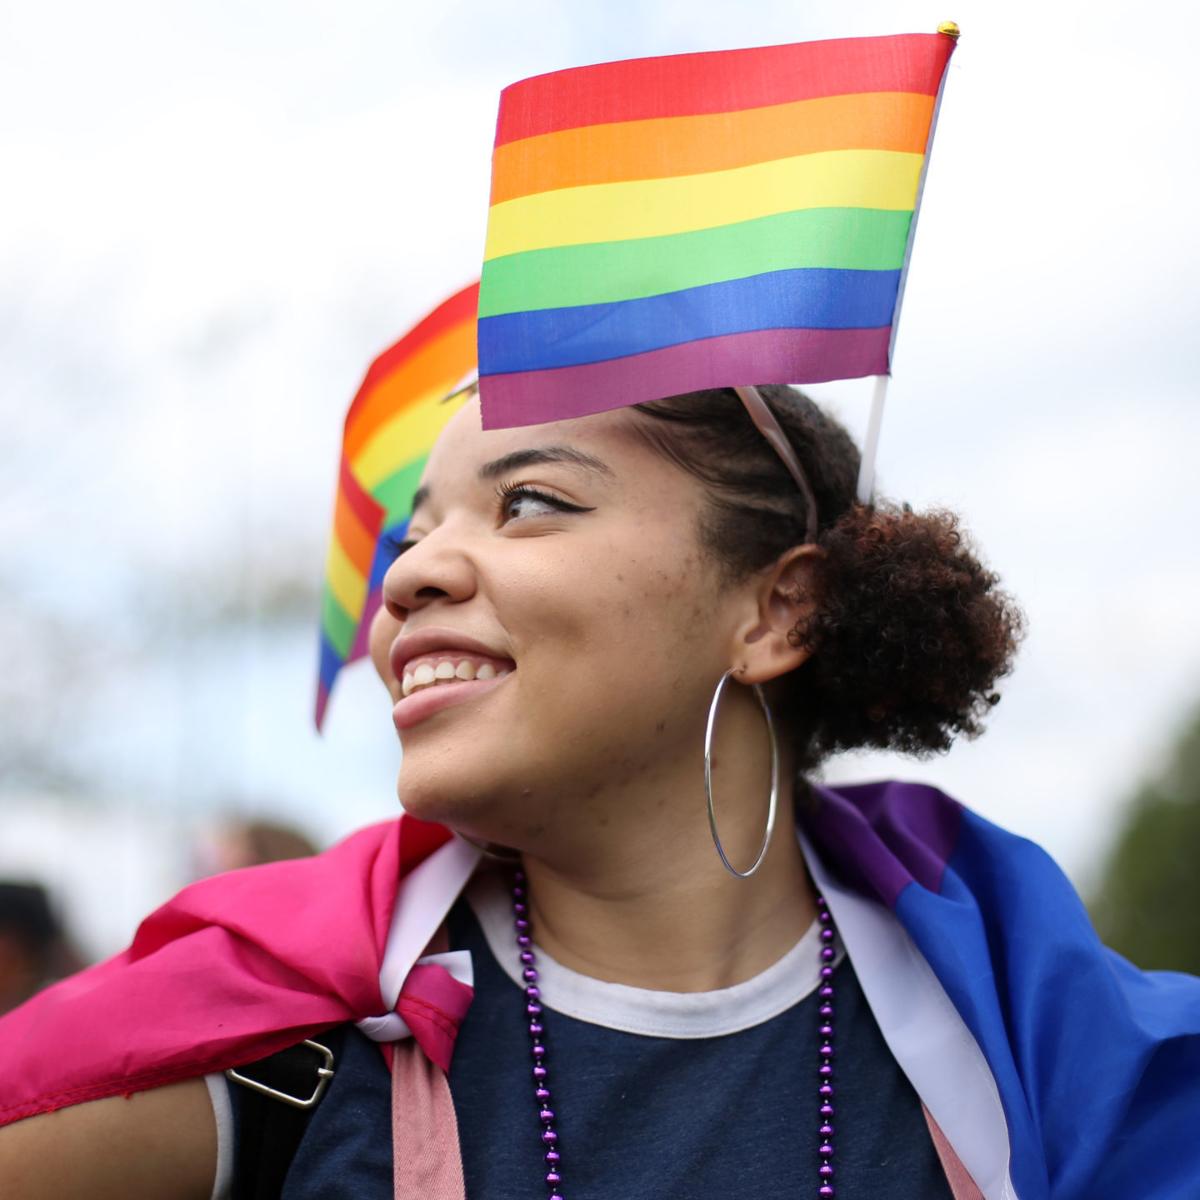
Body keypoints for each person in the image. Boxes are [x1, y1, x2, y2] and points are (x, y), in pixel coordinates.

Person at [2, 385, 1199, 1200]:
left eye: (529, 503)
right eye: (413, 533)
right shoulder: (289, 1042)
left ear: (778, 610)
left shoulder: (1039, 1052)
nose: (412, 573)